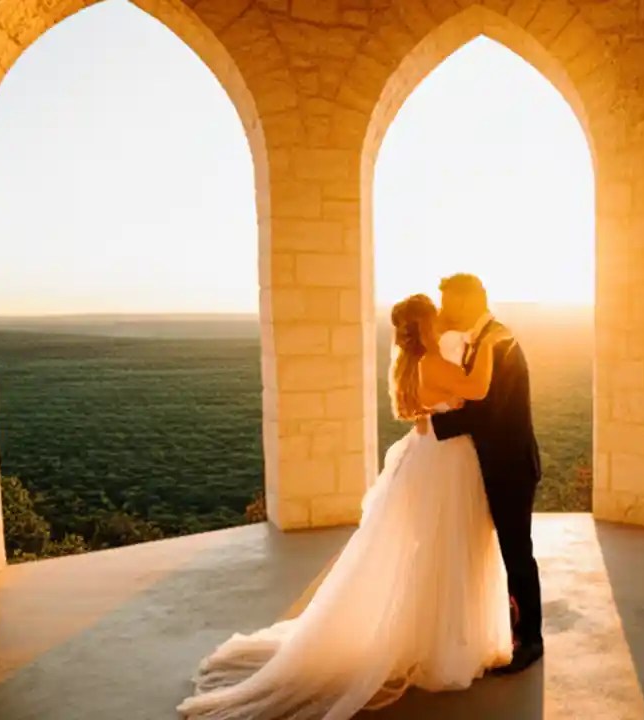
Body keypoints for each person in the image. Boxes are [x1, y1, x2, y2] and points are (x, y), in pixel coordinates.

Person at [178, 293, 513, 720]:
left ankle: (440, 637)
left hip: (432, 458)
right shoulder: (432, 363)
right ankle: (446, 646)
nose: (440, 321)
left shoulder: (417, 362)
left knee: (439, 551)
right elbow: (479, 388)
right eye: (434, 318)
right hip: (445, 464)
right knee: (449, 549)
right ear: (424, 327)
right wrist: (487, 343)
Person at [430, 273, 544, 675]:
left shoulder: (501, 341)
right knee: (500, 552)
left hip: (511, 467)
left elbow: (488, 410)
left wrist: (435, 424)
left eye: (449, 302)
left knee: (517, 552)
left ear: (471, 299)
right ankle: (510, 626)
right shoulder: (482, 338)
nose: (444, 310)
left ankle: (530, 640)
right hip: (494, 464)